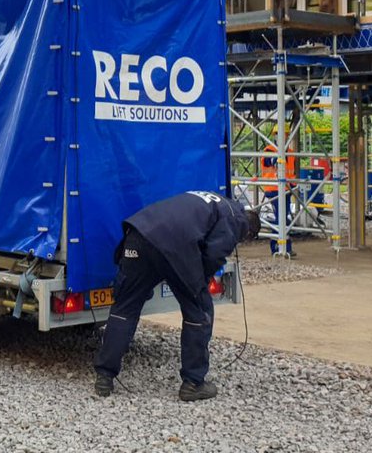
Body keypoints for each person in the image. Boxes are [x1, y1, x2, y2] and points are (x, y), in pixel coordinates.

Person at [94, 191, 255, 400]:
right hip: (175, 248)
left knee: (124, 309)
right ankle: (193, 383)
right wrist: (199, 283)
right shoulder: (237, 218)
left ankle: (104, 377)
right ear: (248, 231)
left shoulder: (213, 201)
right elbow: (214, 254)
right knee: (199, 312)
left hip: (137, 234)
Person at [260, 144, 297, 256]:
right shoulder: (270, 150)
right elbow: (268, 161)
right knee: (281, 218)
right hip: (274, 188)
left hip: (286, 188)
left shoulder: (290, 153)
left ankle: (283, 246)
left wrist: (293, 185)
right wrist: (275, 159)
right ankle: (277, 246)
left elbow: (291, 171)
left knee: (283, 218)